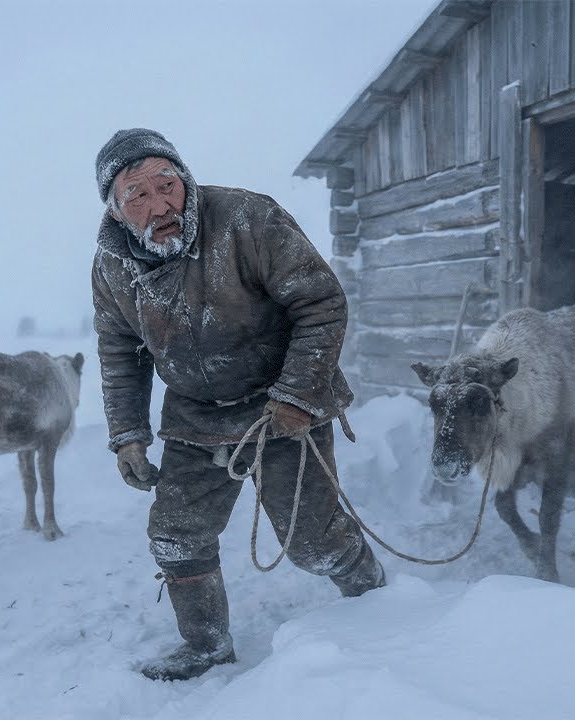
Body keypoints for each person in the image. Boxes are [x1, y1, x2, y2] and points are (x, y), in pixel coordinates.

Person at [91, 128, 386, 682]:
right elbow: (119, 348)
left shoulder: (248, 219)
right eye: (138, 195)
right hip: (195, 415)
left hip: (281, 405)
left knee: (312, 543)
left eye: (167, 185)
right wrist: (127, 432)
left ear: (185, 180)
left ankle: (378, 600)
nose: (160, 205)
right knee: (176, 535)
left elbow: (320, 302)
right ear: (116, 208)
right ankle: (205, 647)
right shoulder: (111, 263)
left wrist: (298, 394)